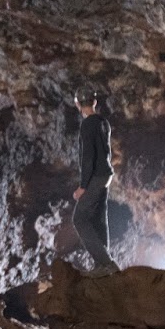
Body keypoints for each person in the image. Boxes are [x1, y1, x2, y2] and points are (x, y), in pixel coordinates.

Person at [71, 88, 119, 275]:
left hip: (96, 177)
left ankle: (106, 264)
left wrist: (83, 186)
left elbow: (88, 157)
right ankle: (102, 265)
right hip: (106, 174)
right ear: (95, 102)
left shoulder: (87, 124)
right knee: (99, 218)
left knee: (80, 219)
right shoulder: (103, 122)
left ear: (78, 104)